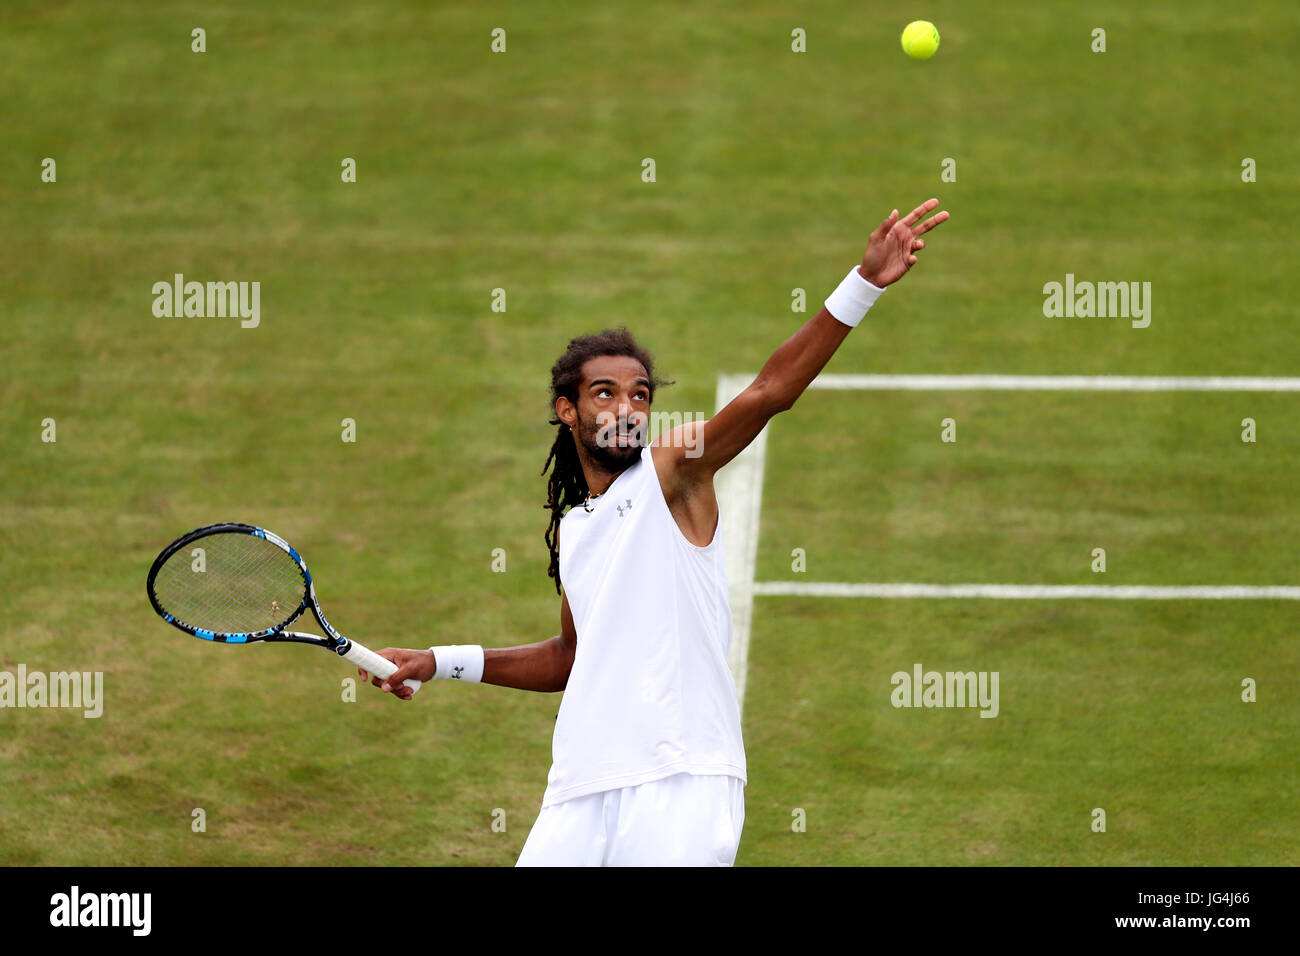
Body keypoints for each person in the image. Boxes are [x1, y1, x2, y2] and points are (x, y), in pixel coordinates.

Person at [359, 199, 950, 865]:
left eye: (640, 394)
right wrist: (441, 661)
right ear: (567, 410)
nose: (628, 406)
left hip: (682, 782)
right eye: (605, 392)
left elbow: (768, 393)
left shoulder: (674, 473)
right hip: (579, 791)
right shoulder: (577, 530)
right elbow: (569, 659)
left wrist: (862, 285)